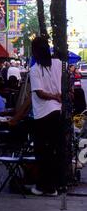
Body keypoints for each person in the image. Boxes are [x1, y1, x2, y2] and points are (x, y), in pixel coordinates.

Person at [29, 37, 62, 197]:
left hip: (42, 115)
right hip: (56, 113)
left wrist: (54, 96)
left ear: (35, 51)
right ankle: (53, 186)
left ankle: (45, 187)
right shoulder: (58, 64)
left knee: (42, 153)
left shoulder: (35, 69)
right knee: (53, 151)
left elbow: (40, 93)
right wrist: (60, 96)